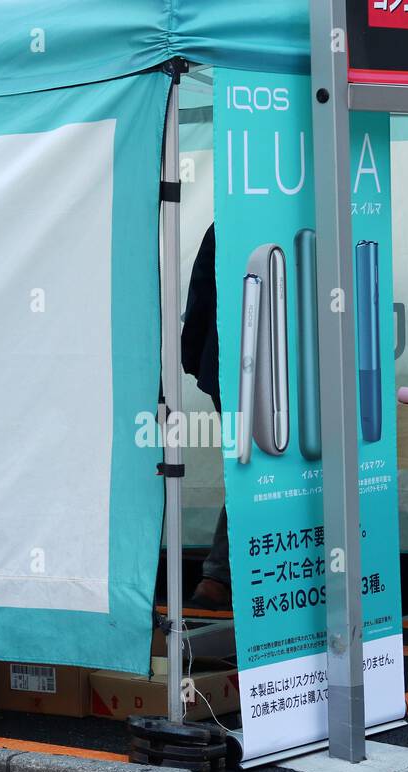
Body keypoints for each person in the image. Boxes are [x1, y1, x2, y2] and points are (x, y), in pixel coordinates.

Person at [180, 224, 231, 611]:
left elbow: (201, 293)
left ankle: (218, 577)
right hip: (299, 369)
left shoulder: (230, 213)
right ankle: (219, 575)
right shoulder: (323, 210)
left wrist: (194, 357)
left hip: (227, 366)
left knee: (251, 467)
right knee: (266, 468)